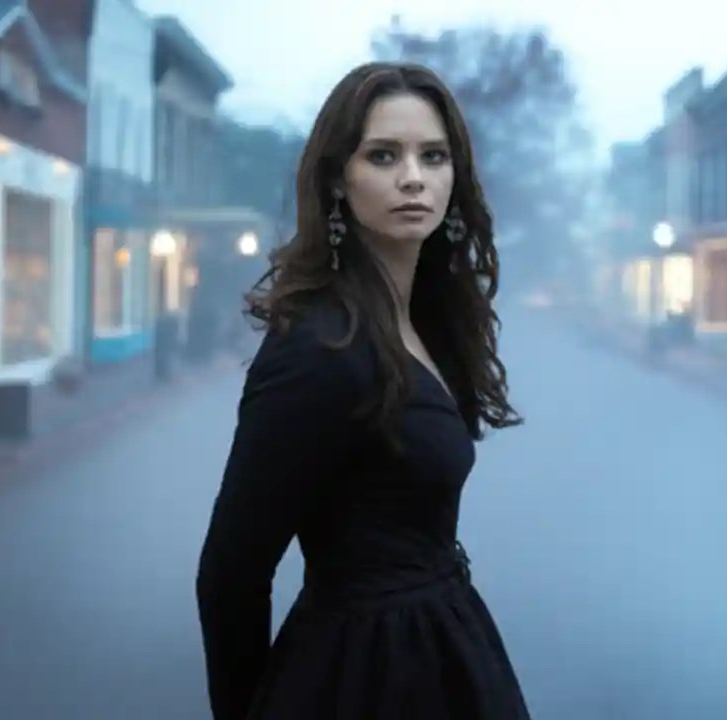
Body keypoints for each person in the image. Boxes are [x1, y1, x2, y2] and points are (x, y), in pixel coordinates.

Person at [194, 61, 531, 720]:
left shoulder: (425, 319)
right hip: (365, 675)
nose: (413, 176)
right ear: (339, 181)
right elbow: (230, 574)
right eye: (383, 155)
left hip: (443, 650)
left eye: (433, 156)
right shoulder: (318, 348)